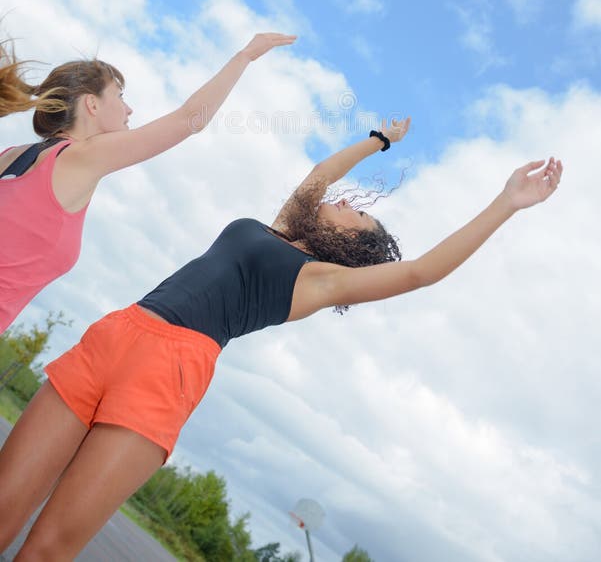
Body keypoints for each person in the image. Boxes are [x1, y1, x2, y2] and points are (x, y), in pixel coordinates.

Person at [0, 118, 562, 560]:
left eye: (355, 216)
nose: (344, 201)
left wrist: (506, 203)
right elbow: (320, 175)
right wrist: (378, 141)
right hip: (119, 331)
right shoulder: (283, 229)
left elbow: (422, 271)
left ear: (350, 250)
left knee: (48, 548)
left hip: (167, 370)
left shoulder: (318, 280)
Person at [0, 31, 295, 332]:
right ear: (92, 104)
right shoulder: (82, 156)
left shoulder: (13, 156)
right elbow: (189, 119)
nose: (129, 110)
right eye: (119, 95)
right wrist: (244, 56)